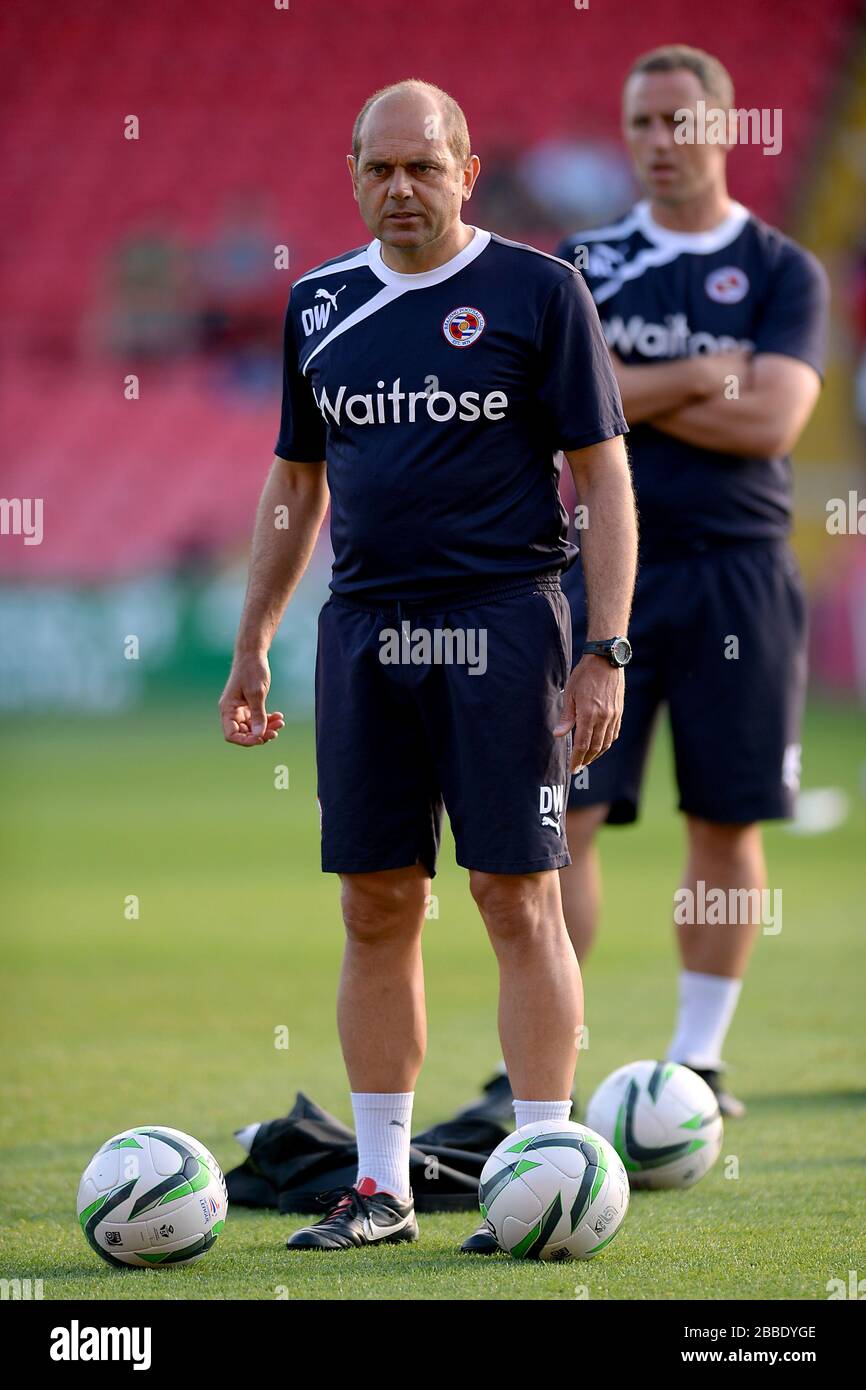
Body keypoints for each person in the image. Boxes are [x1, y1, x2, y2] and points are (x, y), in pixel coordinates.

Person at [219, 78, 637, 1253]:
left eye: (422, 165)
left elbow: (602, 479)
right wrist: (253, 639)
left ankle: (542, 1176)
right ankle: (382, 1186)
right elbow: (295, 487)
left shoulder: (536, 291)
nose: (399, 188)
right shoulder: (317, 303)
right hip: (364, 630)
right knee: (374, 903)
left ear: (465, 172)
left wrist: (602, 647)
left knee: (517, 893)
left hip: (506, 621)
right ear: (351, 174)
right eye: (377, 168)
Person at [555, 47, 829, 1119]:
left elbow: (772, 419)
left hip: (738, 576)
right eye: (638, 125)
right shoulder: (581, 260)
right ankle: (551, 1054)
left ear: (723, 127)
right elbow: (565, 404)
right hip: (603, 576)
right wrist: (710, 373)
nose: (657, 143)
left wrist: (625, 390)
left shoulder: (778, 270)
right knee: (564, 813)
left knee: (724, 820)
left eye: (677, 121)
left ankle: (699, 1060)